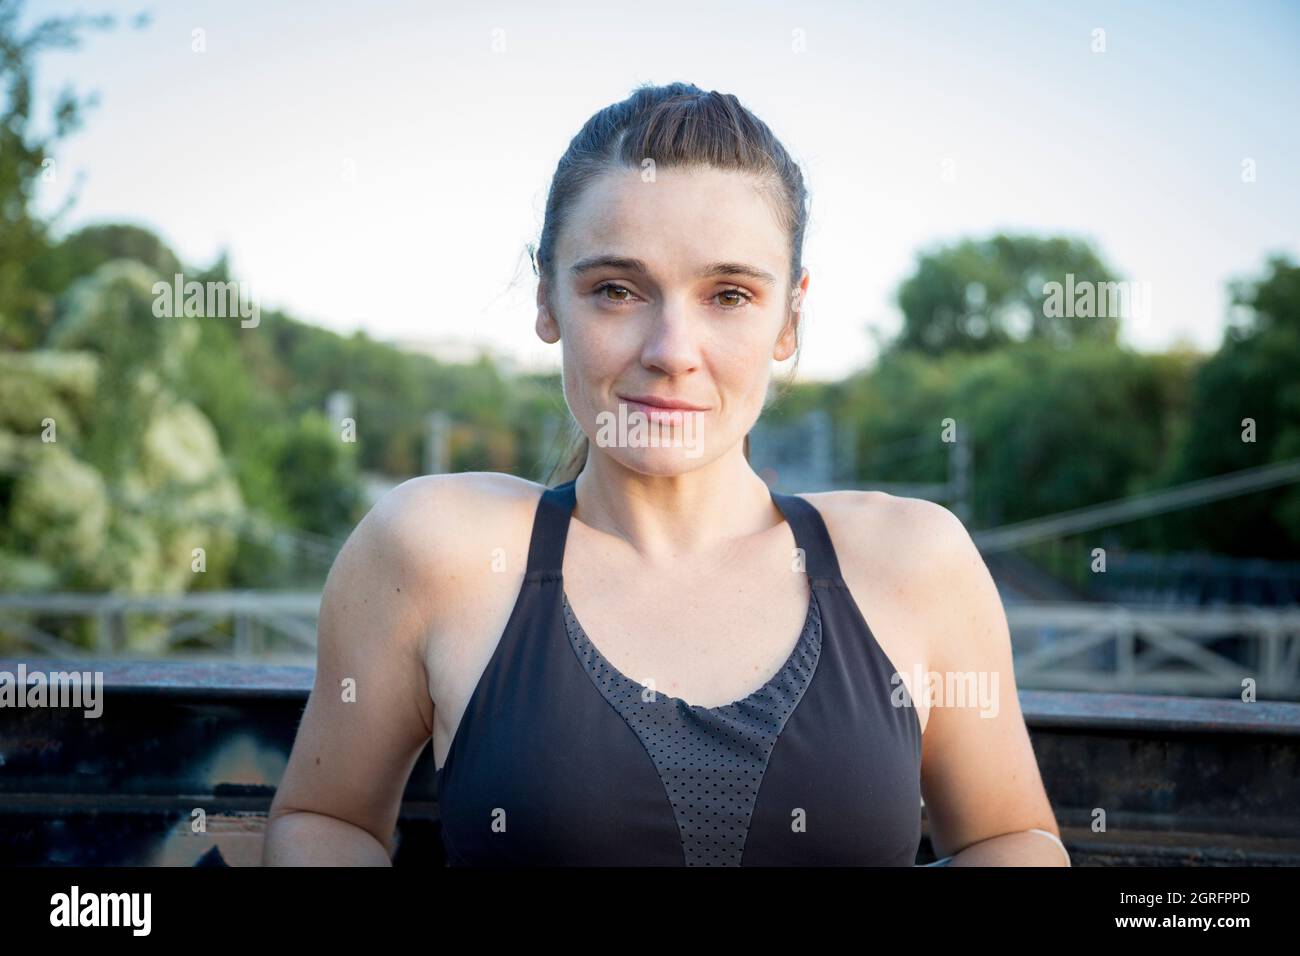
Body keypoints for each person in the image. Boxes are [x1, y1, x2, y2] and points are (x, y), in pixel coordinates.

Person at [263, 81, 1069, 867]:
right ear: (547, 298)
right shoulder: (432, 551)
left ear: (790, 317)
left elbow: (1010, 839)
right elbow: (326, 821)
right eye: (616, 290)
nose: (672, 351)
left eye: (728, 294)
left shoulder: (915, 563)